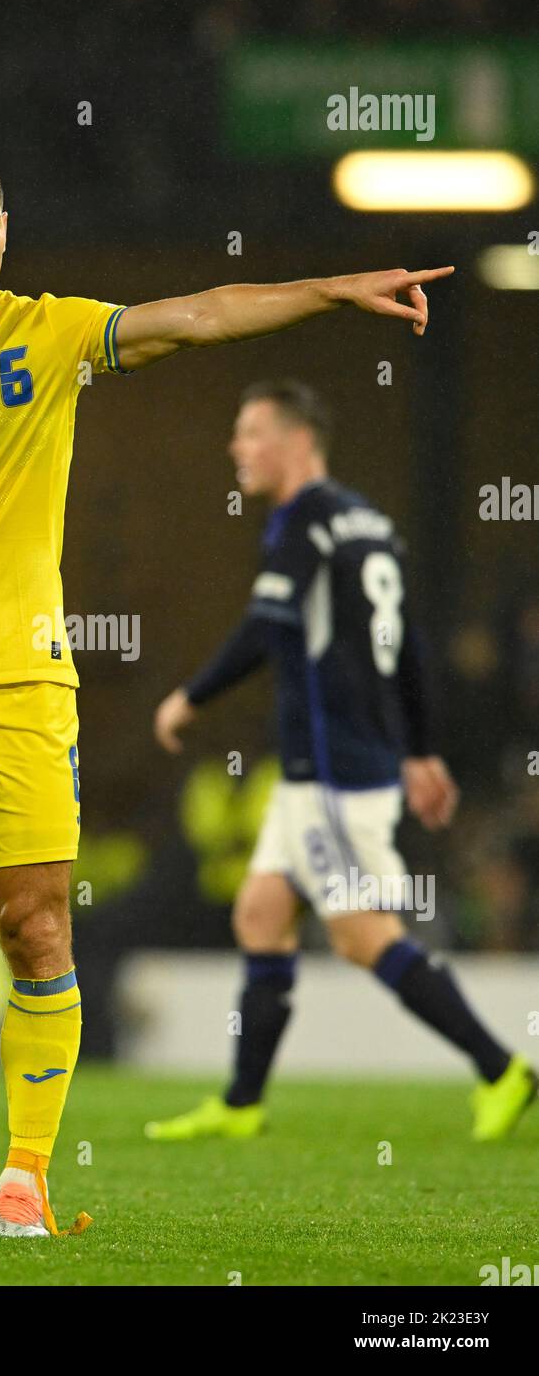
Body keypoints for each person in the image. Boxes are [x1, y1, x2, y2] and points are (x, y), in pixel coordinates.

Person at [0, 148, 453, 1237]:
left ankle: (23, 1172)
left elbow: (199, 315)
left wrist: (327, 291)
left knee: (36, 930)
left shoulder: (54, 331)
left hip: (27, 679)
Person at [148, 381, 536, 1145]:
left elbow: (266, 625)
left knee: (365, 938)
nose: (237, 448)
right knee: (261, 914)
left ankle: (500, 1068)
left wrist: (189, 698)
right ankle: (241, 1103)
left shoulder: (305, 522)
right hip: (327, 773)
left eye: (251, 432)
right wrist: (421, 749)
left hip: (332, 774)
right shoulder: (368, 521)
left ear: (297, 443)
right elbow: (409, 649)